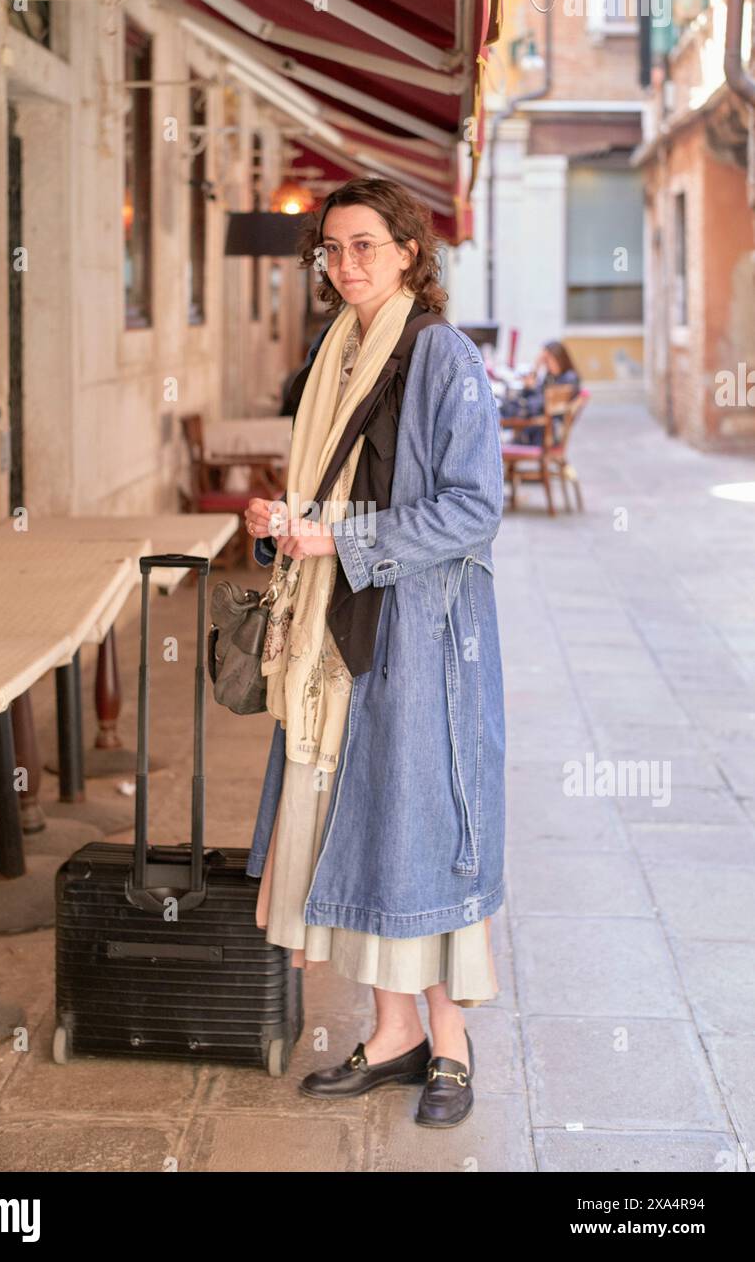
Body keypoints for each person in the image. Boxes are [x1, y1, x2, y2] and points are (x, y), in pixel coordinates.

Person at [243, 177, 506, 1129]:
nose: (346, 264)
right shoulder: (335, 352)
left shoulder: (441, 355)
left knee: (421, 828)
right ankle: (392, 1032)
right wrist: (287, 524)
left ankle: (450, 1044)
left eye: (365, 246)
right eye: (333, 250)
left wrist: (339, 539)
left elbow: (476, 508)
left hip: (423, 635)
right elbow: (328, 490)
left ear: (407, 252)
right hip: (340, 633)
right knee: (362, 829)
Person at [499, 341, 580, 447]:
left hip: (547, 432)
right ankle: (504, 432)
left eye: (547, 360)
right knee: (510, 403)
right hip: (541, 425)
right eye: (544, 361)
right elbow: (538, 398)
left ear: (559, 358)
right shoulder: (552, 376)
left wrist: (532, 387)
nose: (546, 364)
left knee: (515, 405)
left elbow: (542, 403)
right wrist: (536, 368)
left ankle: (504, 434)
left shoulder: (569, 378)